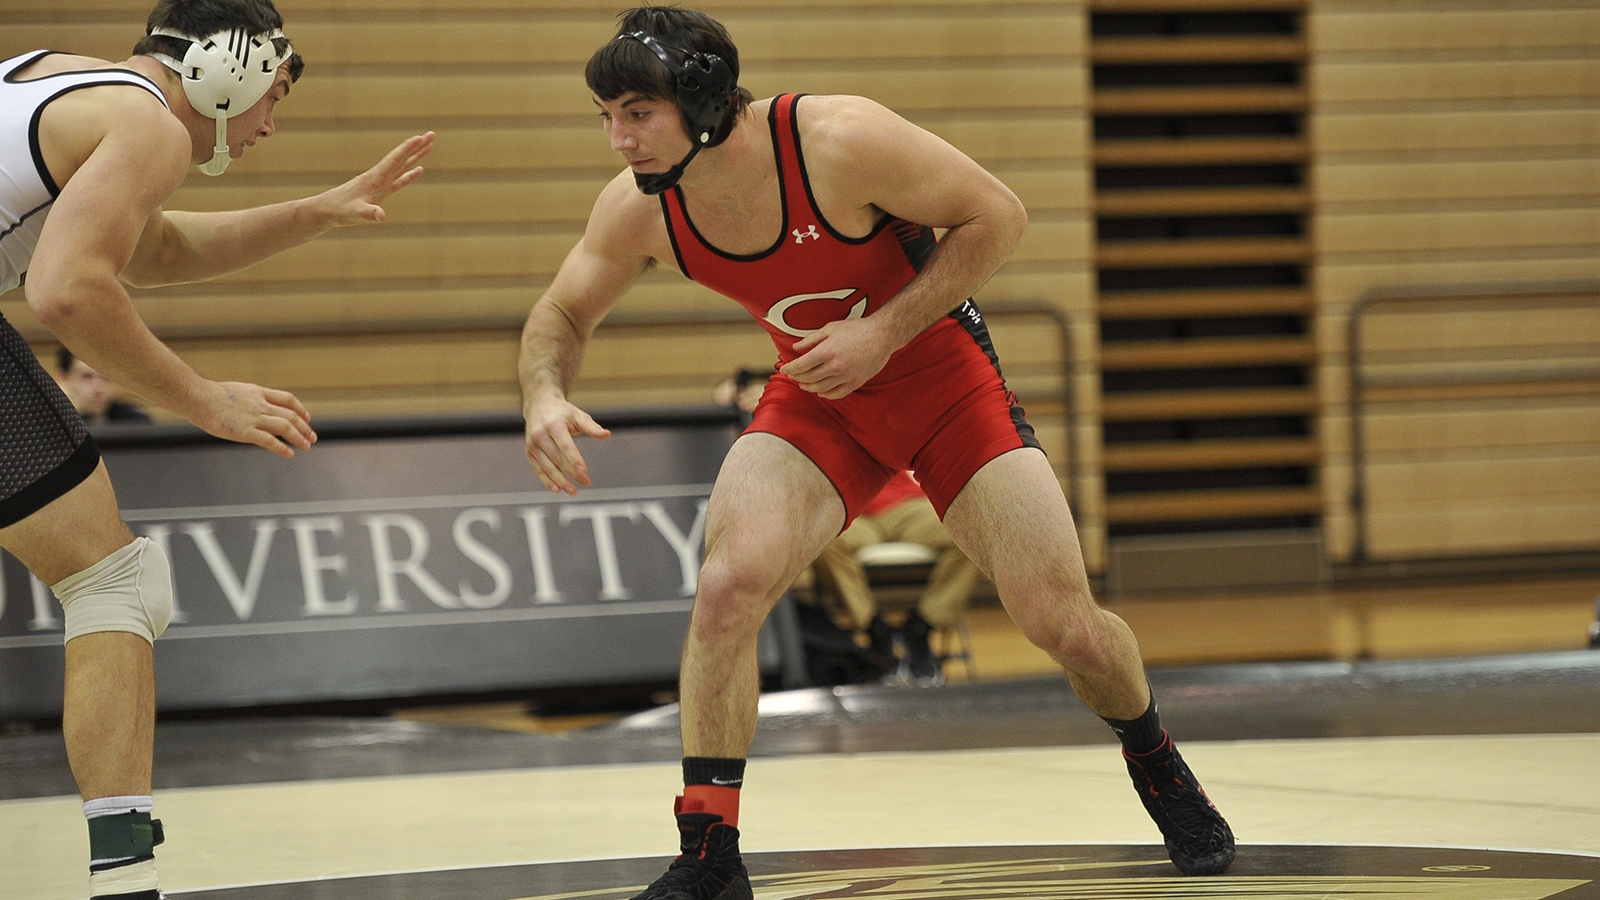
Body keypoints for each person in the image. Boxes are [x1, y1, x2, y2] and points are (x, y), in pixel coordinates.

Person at [517, 5, 1234, 891]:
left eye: (636, 113)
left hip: (941, 384)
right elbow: (562, 313)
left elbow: (998, 218)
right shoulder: (644, 210)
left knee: (1062, 622)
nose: (617, 140)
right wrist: (545, 393)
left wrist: (886, 332)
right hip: (822, 401)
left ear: (702, 103)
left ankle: (1156, 756)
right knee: (730, 584)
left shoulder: (837, 141)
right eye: (606, 116)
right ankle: (708, 855)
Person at [0, 1, 432, 897]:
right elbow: (69, 289)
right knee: (109, 579)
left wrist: (318, 210)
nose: (270, 122)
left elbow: (149, 249)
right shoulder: (148, 125)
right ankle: (124, 881)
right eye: (272, 95)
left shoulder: (53, 80)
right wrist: (206, 401)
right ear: (221, 70)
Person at [812, 470, 981, 687]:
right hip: (851, 510)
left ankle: (921, 626)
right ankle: (875, 629)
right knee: (821, 540)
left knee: (970, 533)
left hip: (906, 505)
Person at [56, 348, 155, 426]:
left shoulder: (135, 424)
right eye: (86, 377)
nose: (98, 388)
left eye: (105, 377)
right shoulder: (51, 425)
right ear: (63, 379)